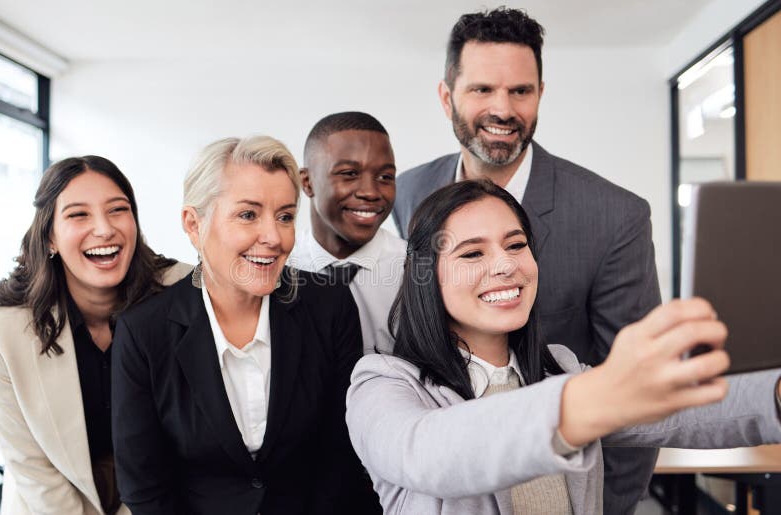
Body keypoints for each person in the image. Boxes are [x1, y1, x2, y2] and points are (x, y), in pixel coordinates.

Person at [347, 180, 781, 515]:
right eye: (472, 254)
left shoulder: (562, 369)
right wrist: (600, 394)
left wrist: (775, 393)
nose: (505, 265)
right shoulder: (382, 383)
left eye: (516, 245)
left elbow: (689, 408)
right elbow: (429, 455)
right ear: (426, 276)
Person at [391, 8, 662, 511]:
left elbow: (634, 388)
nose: (503, 109)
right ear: (447, 96)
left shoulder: (614, 216)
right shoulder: (408, 193)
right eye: (482, 90)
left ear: (540, 93)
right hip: (443, 483)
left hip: (557, 483)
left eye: (521, 91)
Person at [111, 136, 377, 514]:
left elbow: (342, 455)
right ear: (193, 224)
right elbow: (146, 487)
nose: (273, 238)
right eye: (248, 215)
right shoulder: (144, 333)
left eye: (285, 216)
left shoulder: (329, 305)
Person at [0, 156, 189, 515]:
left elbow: (190, 438)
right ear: (50, 237)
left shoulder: (181, 294)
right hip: (47, 502)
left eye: (118, 210)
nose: (104, 229)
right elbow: (29, 466)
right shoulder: (1, 324)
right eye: (79, 215)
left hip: (158, 498)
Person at [288, 111, 406, 354]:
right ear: (308, 182)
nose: (370, 192)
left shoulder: (416, 269)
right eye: (349, 174)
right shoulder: (280, 266)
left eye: (385, 177)